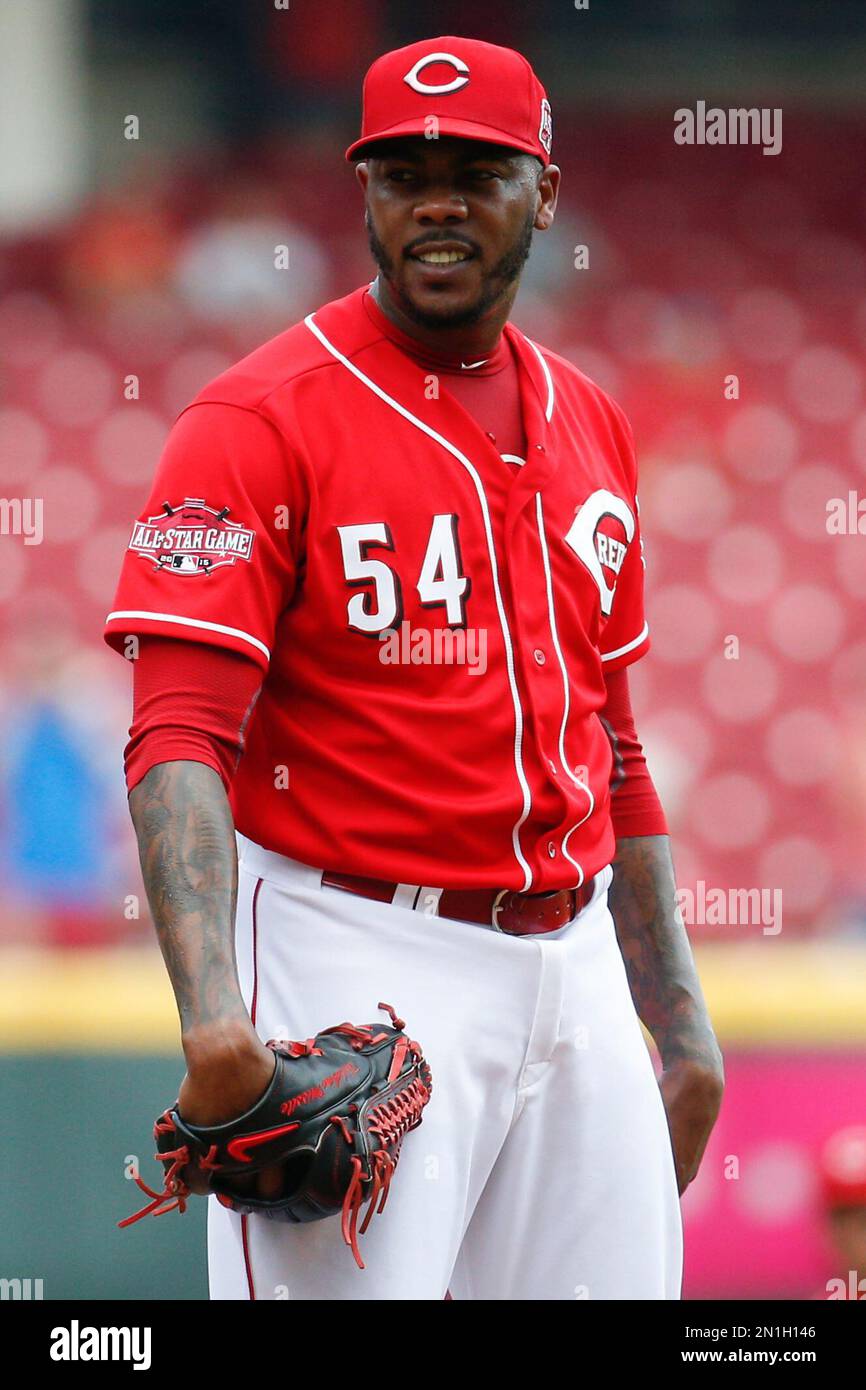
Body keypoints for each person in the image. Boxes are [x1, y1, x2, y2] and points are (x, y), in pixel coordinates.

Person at [105, 35, 723, 1301]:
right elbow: (178, 731)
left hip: (577, 965)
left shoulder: (589, 417)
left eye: (476, 169)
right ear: (364, 195)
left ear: (543, 193)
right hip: (357, 957)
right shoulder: (252, 420)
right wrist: (216, 1021)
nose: (435, 198)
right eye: (401, 171)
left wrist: (674, 1016)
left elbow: (610, 738)